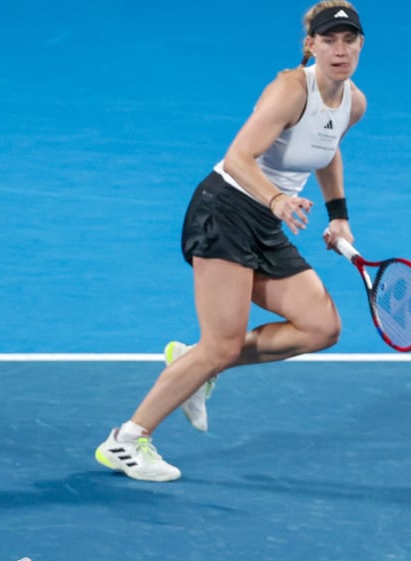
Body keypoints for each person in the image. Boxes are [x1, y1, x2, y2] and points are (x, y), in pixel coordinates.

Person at [95, 1, 367, 482]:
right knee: (219, 345)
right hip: (225, 211)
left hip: (267, 221)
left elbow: (328, 149)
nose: (340, 50)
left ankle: (195, 363)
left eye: (349, 40)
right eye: (329, 40)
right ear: (311, 45)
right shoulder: (289, 89)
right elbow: (239, 156)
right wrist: (278, 199)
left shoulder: (353, 103)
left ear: (360, 44)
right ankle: (127, 439)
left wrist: (339, 216)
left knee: (320, 327)